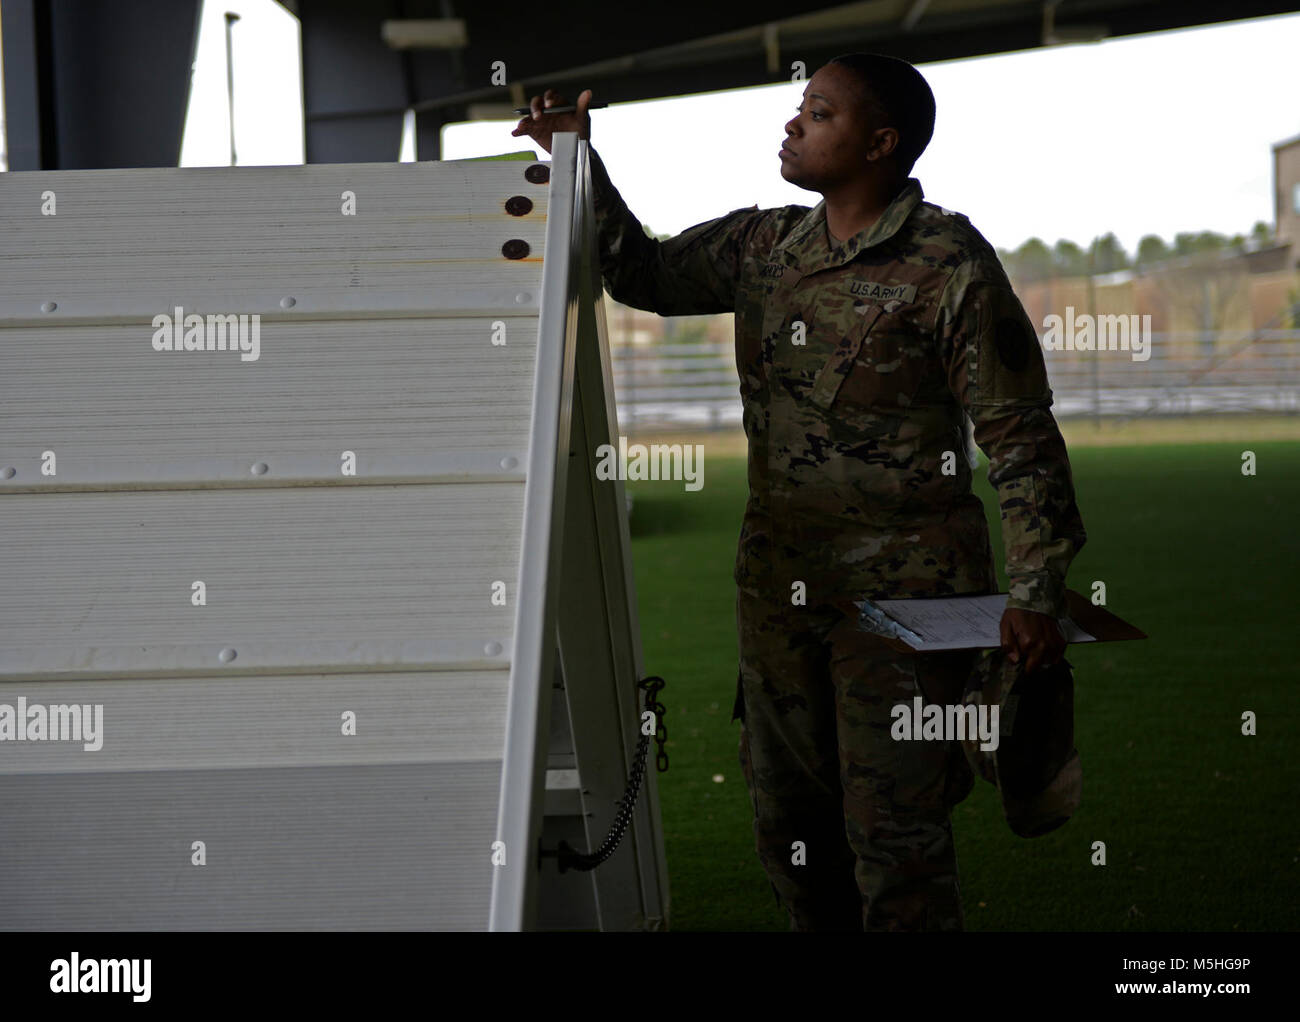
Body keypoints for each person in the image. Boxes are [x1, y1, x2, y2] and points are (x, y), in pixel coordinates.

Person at [512, 53, 1086, 932]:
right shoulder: (765, 247)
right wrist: (575, 158)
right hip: (781, 591)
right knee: (792, 834)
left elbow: (1020, 434)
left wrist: (1037, 590)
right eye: (801, 107)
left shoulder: (948, 262)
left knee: (896, 839)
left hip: (908, 606)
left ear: (880, 144)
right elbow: (642, 273)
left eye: (819, 114)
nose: (792, 124)